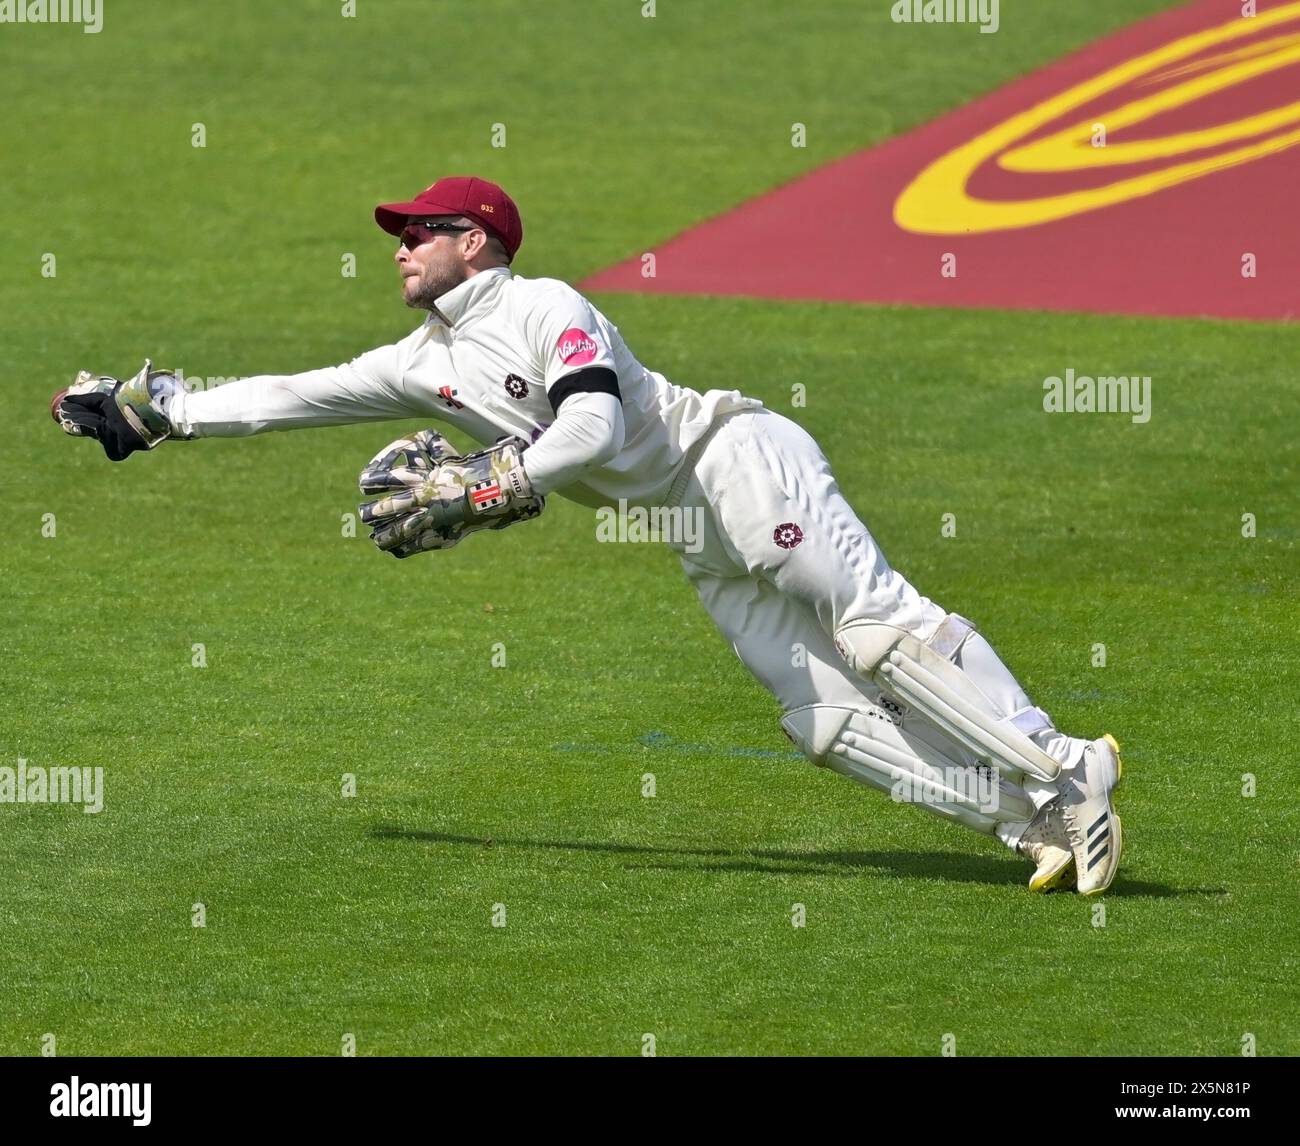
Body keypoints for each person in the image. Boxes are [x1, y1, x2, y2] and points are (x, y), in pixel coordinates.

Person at [51, 175, 1123, 894]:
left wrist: (489, 482)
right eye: (400, 238)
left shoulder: (541, 302)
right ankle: (1026, 820)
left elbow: (595, 421)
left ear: (476, 242)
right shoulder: (418, 360)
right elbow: (294, 393)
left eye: (417, 233)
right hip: (685, 529)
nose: (400, 250)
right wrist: (160, 414)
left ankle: (1068, 762)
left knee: (878, 632)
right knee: (822, 720)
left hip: (733, 458)